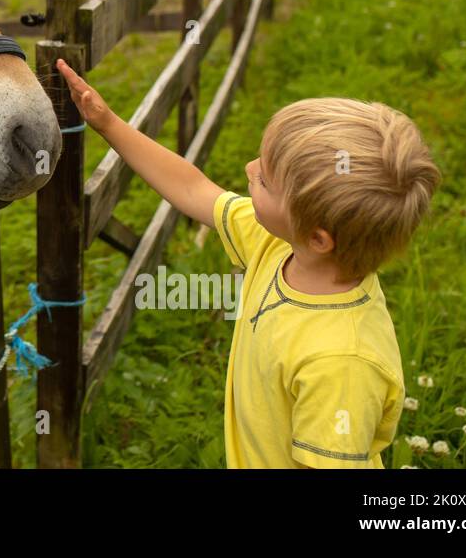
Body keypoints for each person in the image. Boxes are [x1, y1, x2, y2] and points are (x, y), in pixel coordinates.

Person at [56, 59, 439, 468]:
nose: (249, 169)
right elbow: (192, 187)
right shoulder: (279, 245)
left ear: (318, 238)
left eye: (266, 182)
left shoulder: (341, 363)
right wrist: (108, 123)